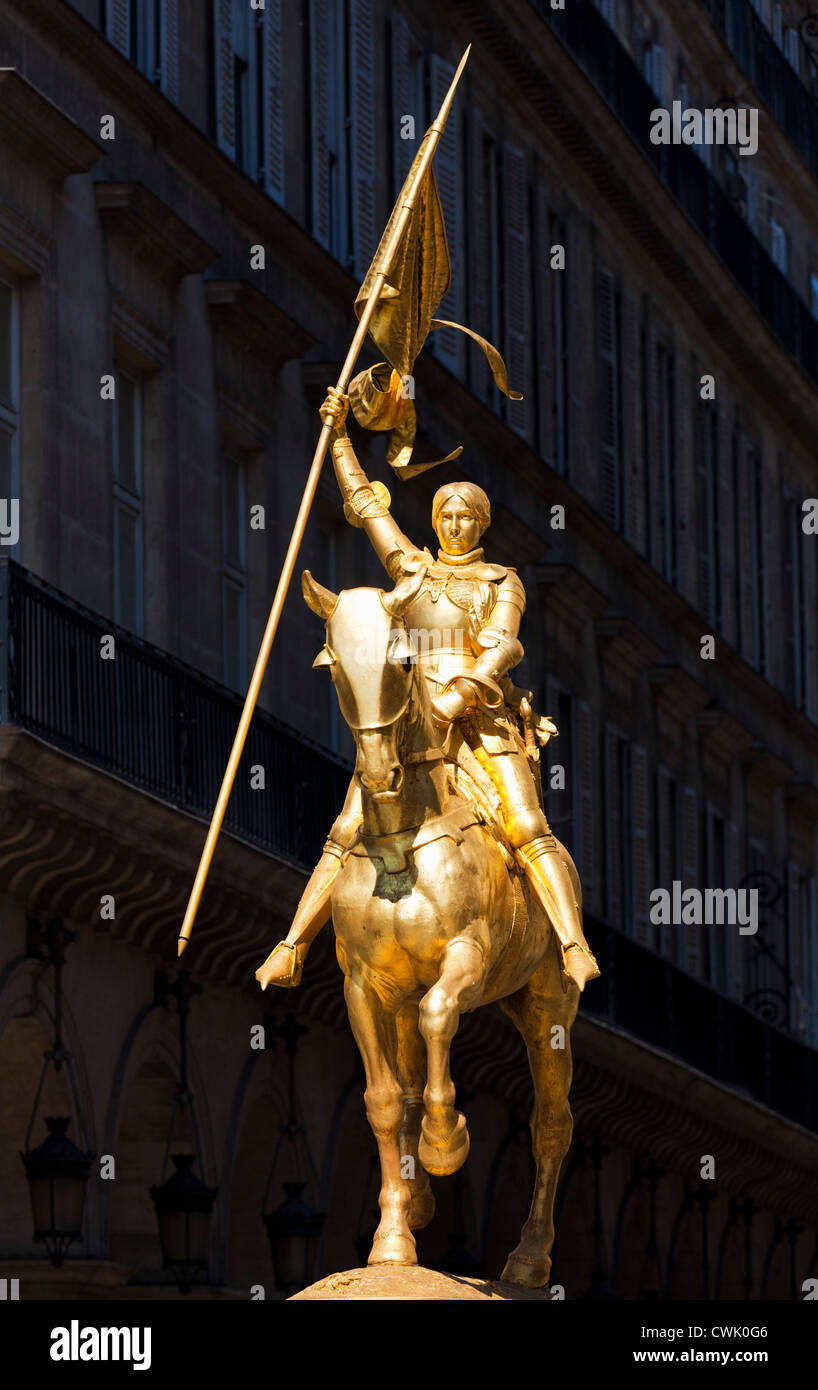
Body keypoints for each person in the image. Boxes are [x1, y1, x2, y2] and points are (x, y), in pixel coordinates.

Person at [255, 388, 600, 993]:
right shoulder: (413, 571)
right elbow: (367, 510)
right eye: (445, 514)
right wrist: (338, 438)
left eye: (466, 515)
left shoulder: (501, 580)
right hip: (411, 714)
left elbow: (503, 647)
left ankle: (572, 944)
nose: (454, 524)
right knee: (347, 826)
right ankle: (292, 944)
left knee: (524, 823)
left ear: (481, 523)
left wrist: (458, 696)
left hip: (477, 719)